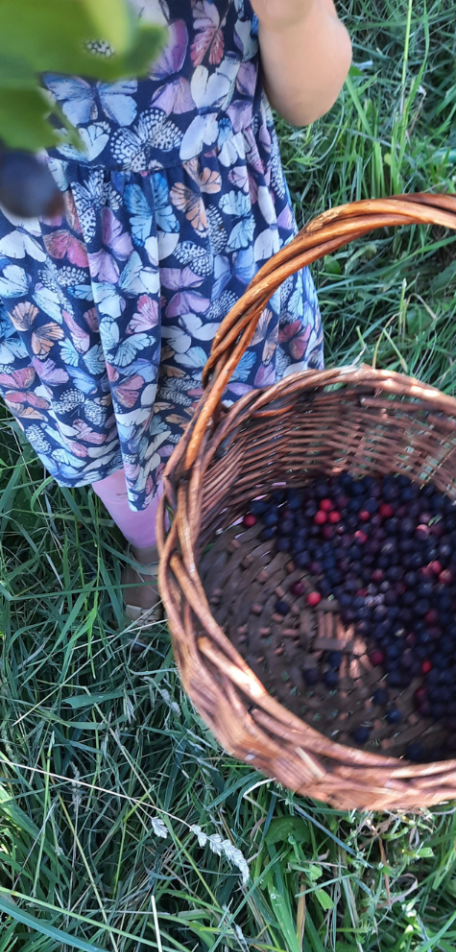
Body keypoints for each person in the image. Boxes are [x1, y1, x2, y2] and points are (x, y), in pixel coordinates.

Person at [0, 0, 351, 619]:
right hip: (49, 265)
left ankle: (255, 525)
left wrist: (293, 18)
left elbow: (307, 99)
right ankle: (152, 538)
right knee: (103, 430)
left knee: (245, 415)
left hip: (211, 242)